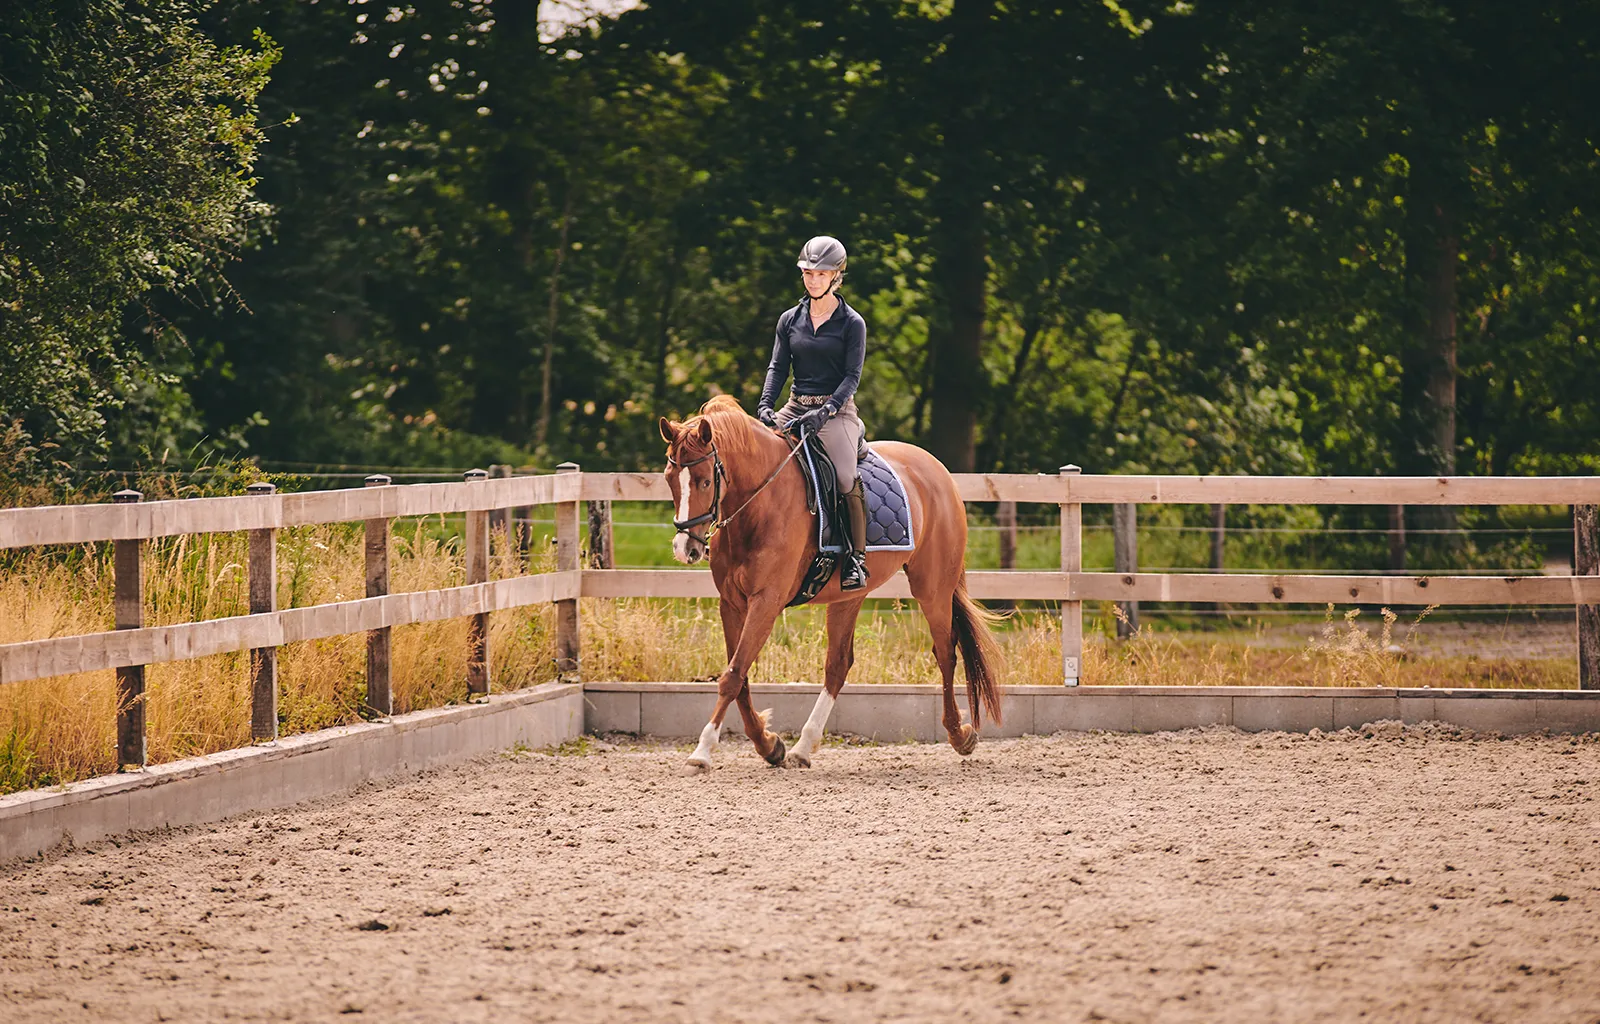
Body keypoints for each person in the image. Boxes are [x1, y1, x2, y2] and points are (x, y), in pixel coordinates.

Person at [756, 235, 871, 590]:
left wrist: (828, 411)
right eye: (808, 272)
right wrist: (764, 405)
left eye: (821, 274)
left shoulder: (852, 323)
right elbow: (778, 367)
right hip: (795, 406)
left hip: (836, 412)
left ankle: (855, 558)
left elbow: (852, 376)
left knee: (843, 476)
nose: (812, 279)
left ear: (836, 276)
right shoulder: (790, 319)